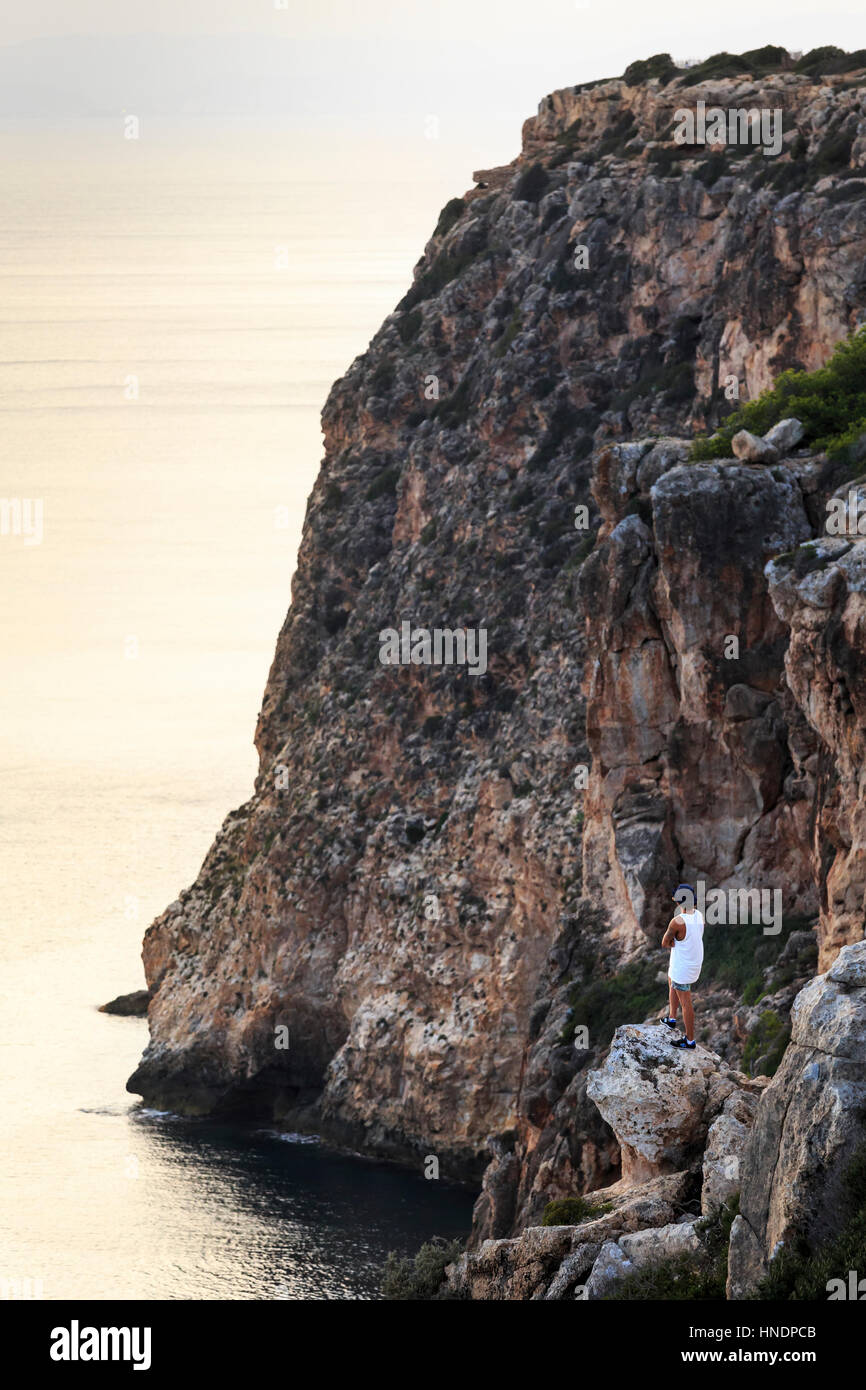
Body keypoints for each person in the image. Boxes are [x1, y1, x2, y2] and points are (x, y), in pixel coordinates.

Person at [659, 883, 704, 1049]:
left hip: (684, 968)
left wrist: (675, 941)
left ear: (677, 901)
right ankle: (671, 1019)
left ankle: (689, 1040)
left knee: (686, 1003)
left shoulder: (677, 922)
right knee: (671, 980)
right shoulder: (699, 915)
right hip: (692, 960)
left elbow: (665, 943)